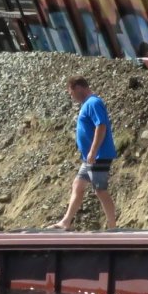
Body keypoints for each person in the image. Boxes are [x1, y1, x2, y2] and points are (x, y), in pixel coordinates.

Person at [50, 77, 118, 230]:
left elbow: (101, 126)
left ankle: (112, 225)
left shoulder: (93, 103)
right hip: (91, 157)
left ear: (79, 87)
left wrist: (93, 151)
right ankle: (66, 222)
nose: (71, 96)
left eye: (71, 92)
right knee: (78, 185)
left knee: (100, 190)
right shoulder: (87, 104)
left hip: (99, 155)